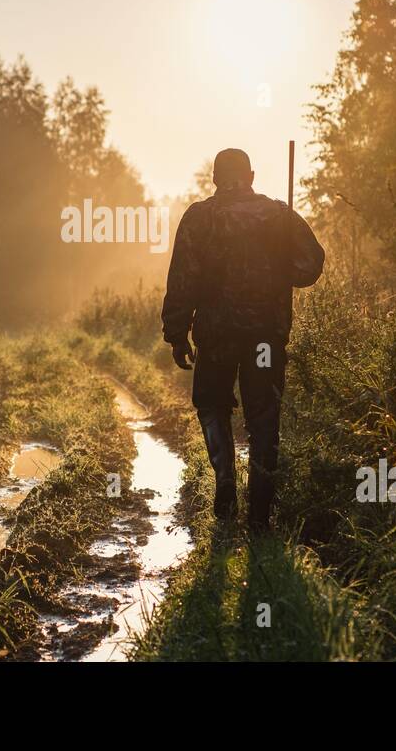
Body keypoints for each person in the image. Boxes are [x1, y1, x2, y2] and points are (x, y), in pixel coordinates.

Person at [161, 148, 325, 530]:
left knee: (212, 404)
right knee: (264, 416)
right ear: (251, 175)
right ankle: (260, 517)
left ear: (215, 177)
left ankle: (225, 481)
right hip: (265, 339)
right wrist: (280, 267)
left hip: (217, 336)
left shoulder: (199, 217)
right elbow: (311, 264)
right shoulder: (279, 214)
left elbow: (183, 277)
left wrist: (176, 332)